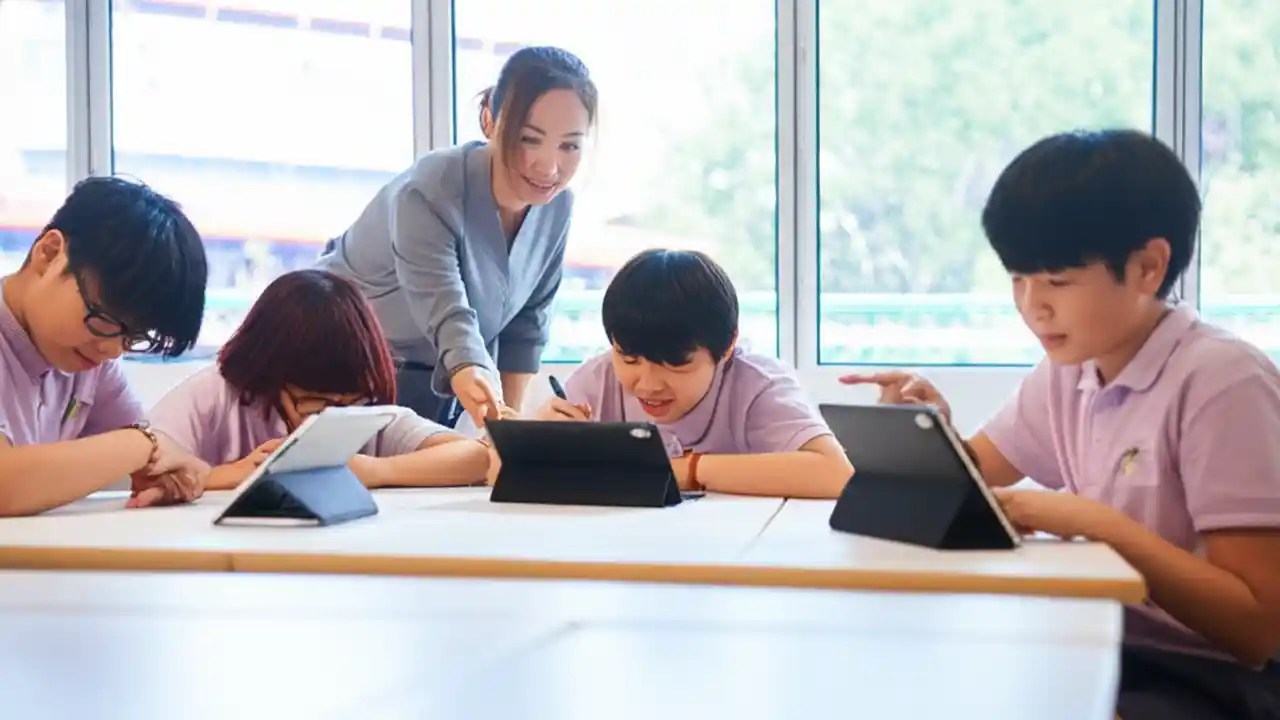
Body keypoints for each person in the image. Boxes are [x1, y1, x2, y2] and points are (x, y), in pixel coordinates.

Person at [843, 129, 1280, 720]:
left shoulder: (1223, 382)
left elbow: (1256, 631)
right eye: (1017, 279)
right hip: (1102, 636)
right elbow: (979, 476)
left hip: (1211, 677)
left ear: (1150, 266)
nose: (1032, 306)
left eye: (1057, 282)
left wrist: (1097, 525)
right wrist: (928, 434)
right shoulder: (1068, 370)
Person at [318, 45, 598, 428]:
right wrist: (471, 370)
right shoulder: (432, 188)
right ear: (489, 121)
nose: (549, 166)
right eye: (529, 139)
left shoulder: (557, 207)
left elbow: (526, 327)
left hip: (429, 381)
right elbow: (448, 313)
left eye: (569, 145)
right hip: (338, 369)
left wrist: (507, 434)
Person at [505, 249, 851, 498]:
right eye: (629, 358)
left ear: (727, 346)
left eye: (676, 364)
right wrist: (542, 445)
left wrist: (684, 471)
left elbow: (834, 474)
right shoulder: (598, 379)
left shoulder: (758, 384)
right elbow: (502, 474)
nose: (648, 385)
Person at [148, 270, 490, 490]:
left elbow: (477, 457)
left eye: (350, 402)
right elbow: (144, 467)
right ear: (269, 377)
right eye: (313, 404)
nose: (333, 416)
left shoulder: (364, 414)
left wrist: (376, 471)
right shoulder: (215, 395)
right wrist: (228, 476)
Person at [0, 176, 211, 515]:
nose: (114, 350)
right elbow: (5, 485)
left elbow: (153, 456)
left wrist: (166, 474)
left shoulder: (87, 361)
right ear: (49, 254)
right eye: (106, 318)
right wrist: (140, 445)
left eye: (134, 337)